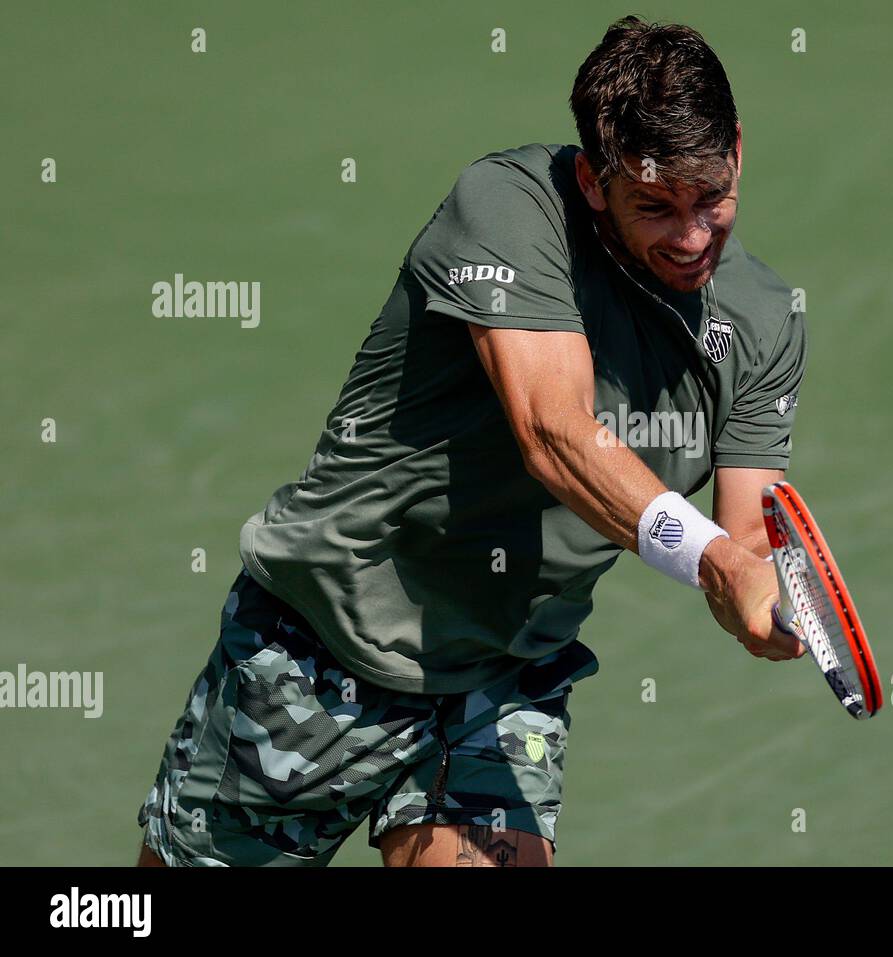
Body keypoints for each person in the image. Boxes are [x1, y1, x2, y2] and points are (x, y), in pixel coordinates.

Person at [137, 15, 806, 867]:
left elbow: (743, 535)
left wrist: (770, 597)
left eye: (711, 196)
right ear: (594, 182)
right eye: (656, 205)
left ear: (738, 151)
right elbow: (553, 432)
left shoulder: (764, 320)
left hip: (506, 676)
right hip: (321, 650)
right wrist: (717, 561)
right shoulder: (507, 209)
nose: (691, 235)